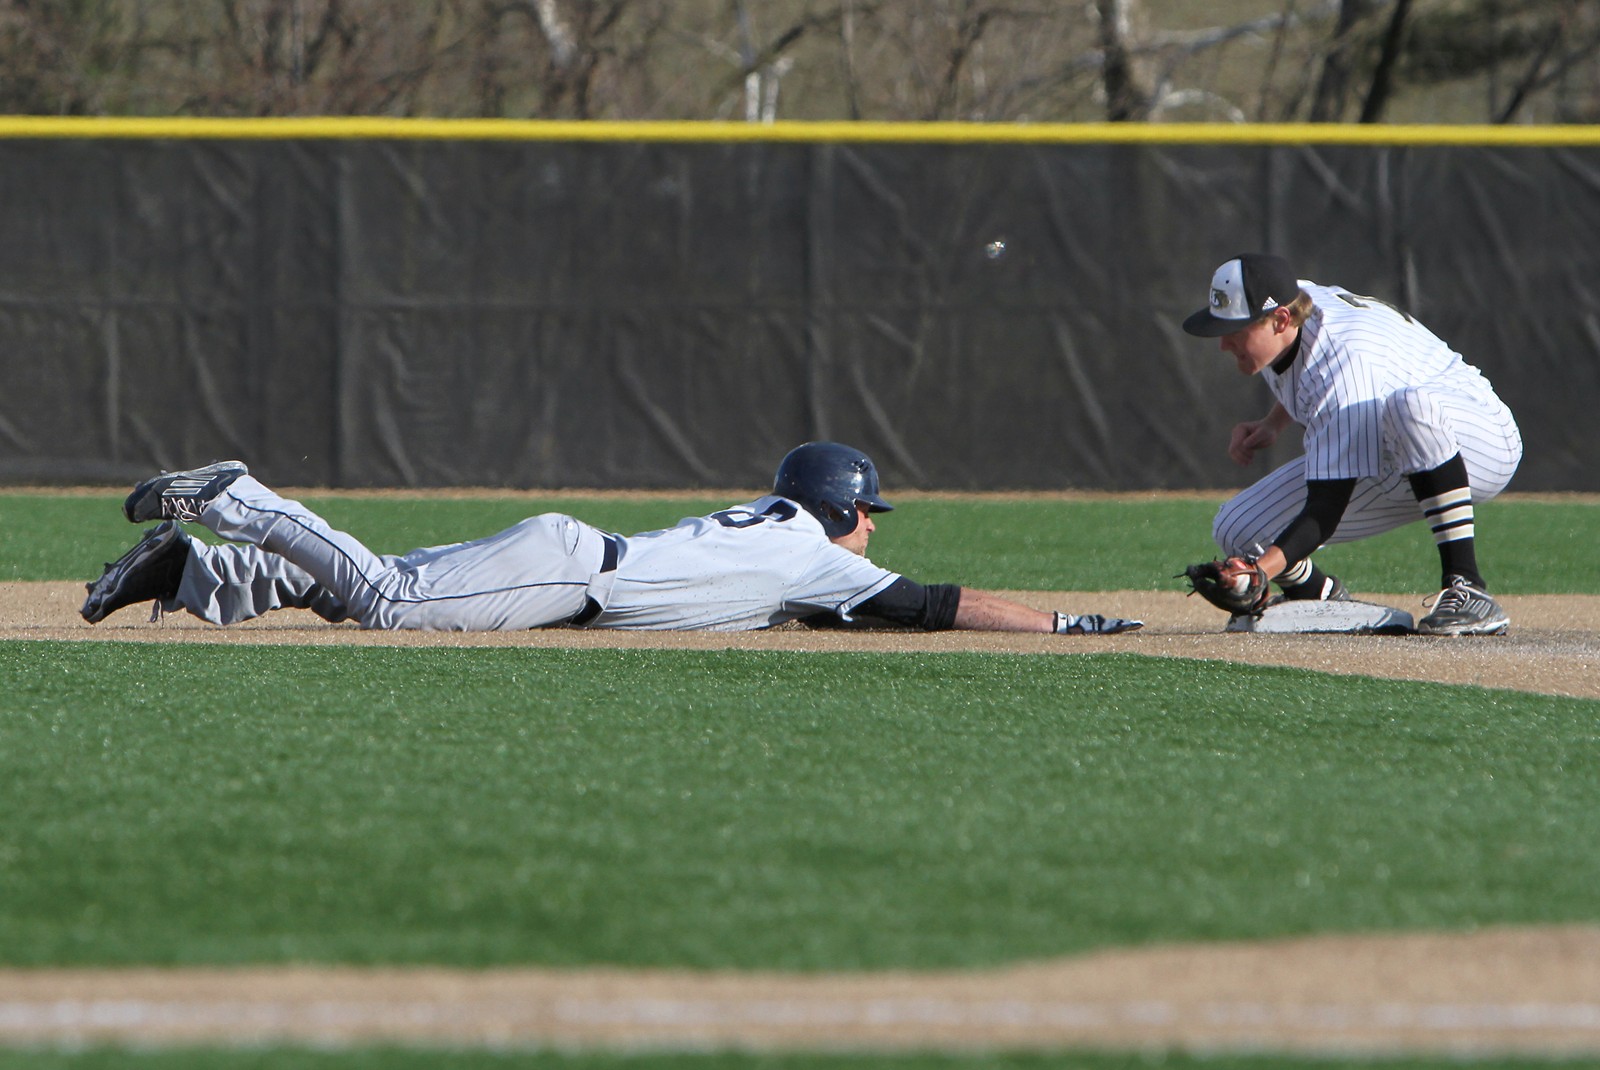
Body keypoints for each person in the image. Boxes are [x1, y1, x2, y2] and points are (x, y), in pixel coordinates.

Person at [82, 442, 1143, 636]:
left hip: (570, 557)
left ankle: (201, 570)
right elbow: (938, 603)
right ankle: (240, 499)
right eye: (868, 511)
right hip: (568, 573)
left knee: (383, 578)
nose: (873, 531)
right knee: (387, 603)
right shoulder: (816, 555)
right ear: (836, 508)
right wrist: (1060, 618)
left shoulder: (780, 539)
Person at [1181, 253, 1522, 635]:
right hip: (1396, 448)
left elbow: (1326, 507)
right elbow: (1306, 371)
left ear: (1279, 320)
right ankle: (1317, 595)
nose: (1224, 344)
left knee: (1411, 407)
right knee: (1237, 530)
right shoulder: (1294, 306)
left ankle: (1467, 586)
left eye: (1236, 330)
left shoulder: (1345, 355)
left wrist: (1260, 574)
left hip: (1477, 441)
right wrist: (1274, 423)